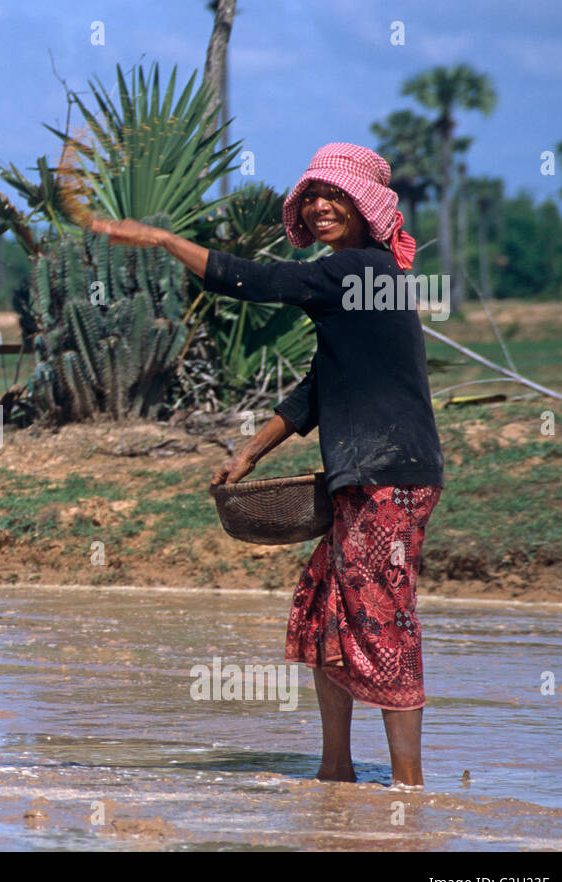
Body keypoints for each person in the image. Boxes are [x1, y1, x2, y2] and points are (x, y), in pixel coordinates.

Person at [88, 142, 444, 789]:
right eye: (312, 194)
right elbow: (317, 387)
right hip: (367, 475)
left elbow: (249, 280)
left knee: (381, 613)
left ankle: (409, 787)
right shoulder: (364, 279)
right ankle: (336, 770)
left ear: (365, 208)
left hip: (390, 475)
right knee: (325, 610)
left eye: (334, 194)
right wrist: (250, 451)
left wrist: (165, 239)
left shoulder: (354, 272)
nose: (319, 204)